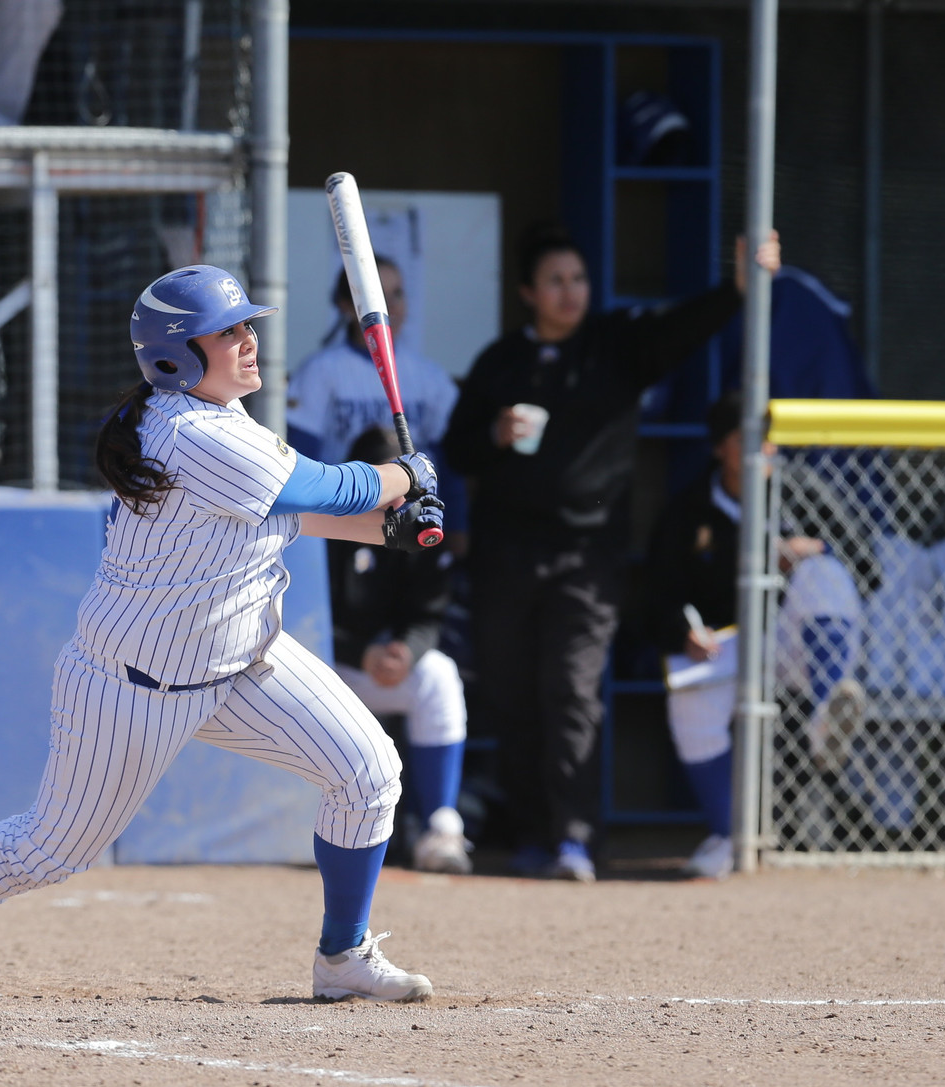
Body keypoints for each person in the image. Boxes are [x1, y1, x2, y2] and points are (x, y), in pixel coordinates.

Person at [0, 265, 446, 1002]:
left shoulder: (223, 421)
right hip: (132, 687)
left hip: (241, 663)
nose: (250, 341)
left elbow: (284, 513)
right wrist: (402, 474)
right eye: (229, 332)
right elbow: (320, 488)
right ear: (178, 355)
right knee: (47, 852)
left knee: (368, 773)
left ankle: (342, 958)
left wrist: (389, 531)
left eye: (248, 326)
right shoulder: (191, 432)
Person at [442, 229, 779, 883]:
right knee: (513, 696)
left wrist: (738, 288)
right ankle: (536, 834)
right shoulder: (499, 362)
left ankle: (574, 840)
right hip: (505, 555)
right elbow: (457, 451)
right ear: (528, 293)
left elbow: (680, 330)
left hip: (588, 556)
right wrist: (494, 432)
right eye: (556, 281)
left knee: (570, 690)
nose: (571, 292)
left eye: (579, 279)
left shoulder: (615, 344)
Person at [643, 393, 868, 880]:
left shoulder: (802, 490)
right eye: (746, 439)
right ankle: (730, 835)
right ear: (720, 448)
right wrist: (683, 630)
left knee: (824, 573)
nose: (761, 451)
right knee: (687, 693)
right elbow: (655, 594)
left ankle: (828, 713)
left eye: (768, 440)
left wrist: (808, 550)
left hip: (797, 641)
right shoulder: (690, 508)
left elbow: (866, 560)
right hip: (728, 645)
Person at [327, 427, 470, 874]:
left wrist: (406, 652)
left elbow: (429, 616)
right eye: (379, 482)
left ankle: (440, 829)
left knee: (439, 675)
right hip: (330, 668)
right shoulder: (322, 525)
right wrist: (358, 653)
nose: (390, 497)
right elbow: (301, 616)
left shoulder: (420, 526)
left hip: (387, 669)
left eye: (398, 485)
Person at [285, 257, 460, 470]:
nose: (392, 307)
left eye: (397, 294)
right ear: (346, 305)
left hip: (415, 499)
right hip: (346, 498)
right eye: (377, 297)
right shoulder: (319, 370)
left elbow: (450, 460)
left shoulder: (429, 375)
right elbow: (302, 457)